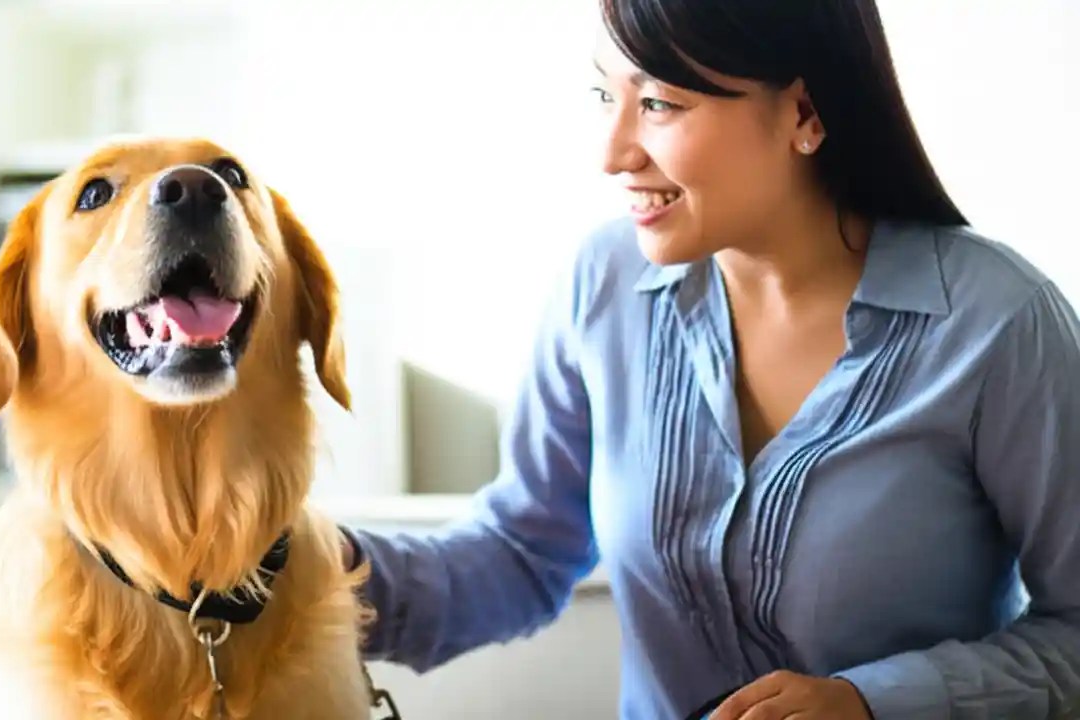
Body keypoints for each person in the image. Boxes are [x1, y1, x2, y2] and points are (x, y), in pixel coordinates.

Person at [339, 0, 1080, 718]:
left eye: (659, 104)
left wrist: (874, 702)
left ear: (804, 112)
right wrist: (312, 568)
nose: (613, 154)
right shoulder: (603, 284)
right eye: (606, 95)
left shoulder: (1000, 324)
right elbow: (521, 552)